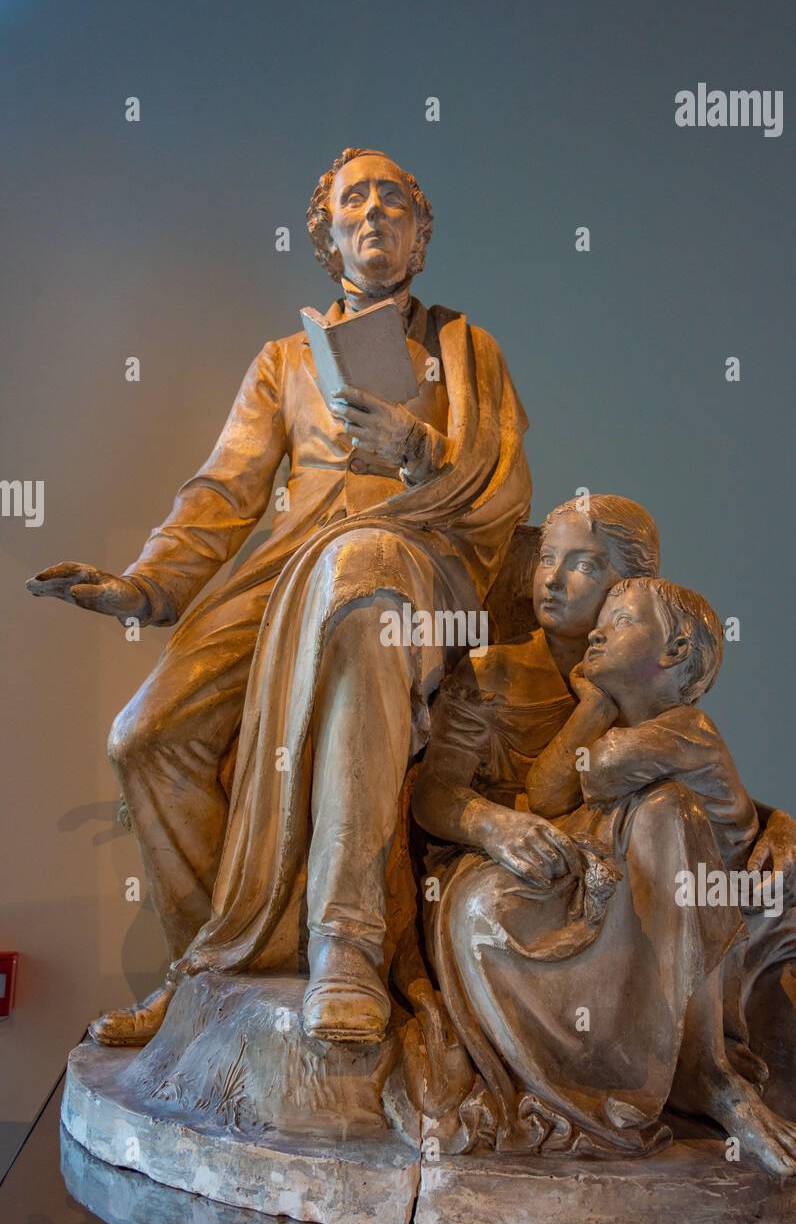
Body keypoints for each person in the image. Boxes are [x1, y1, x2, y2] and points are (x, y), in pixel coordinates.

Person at [27, 148, 531, 1046]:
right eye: (352, 202)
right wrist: (146, 587)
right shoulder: (285, 361)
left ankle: (346, 948)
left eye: (392, 200)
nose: (372, 212)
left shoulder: (465, 348)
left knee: (363, 584)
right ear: (328, 239)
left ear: (419, 237)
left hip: (417, 560)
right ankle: (208, 976)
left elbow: (501, 488)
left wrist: (416, 448)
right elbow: (223, 492)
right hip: (286, 567)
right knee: (145, 737)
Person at [412, 496, 796, 1171]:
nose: (551, 579)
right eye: (547, 558)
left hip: (619, 851)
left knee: (678, 819)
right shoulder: (490, 669)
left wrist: (779, 829)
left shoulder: (638, 668)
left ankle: (706, 1070)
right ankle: (629, 1075)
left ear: (626, 588)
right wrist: (494, 825)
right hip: (504, 857)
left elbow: (712, 790)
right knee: (482, 912)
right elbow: (434, 796)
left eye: (582, 565)